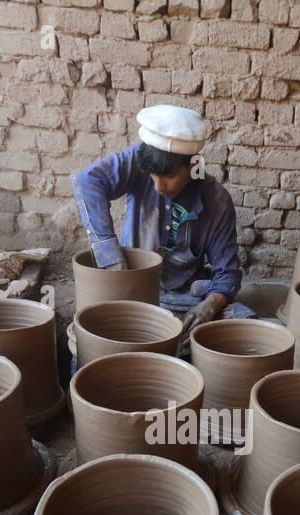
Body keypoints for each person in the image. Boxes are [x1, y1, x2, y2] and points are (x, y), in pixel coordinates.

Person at [69, 104, 253, 365]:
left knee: (245, 326)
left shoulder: (217, 200)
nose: (158, 186)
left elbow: (228, 274)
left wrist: (209, 306)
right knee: (84, 348)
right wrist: (111, 258)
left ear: (192, 165)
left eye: (168, 176)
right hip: (130, 291)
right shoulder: (140, 163)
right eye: (152, 175)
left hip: (182, 297)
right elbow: (86, 181)